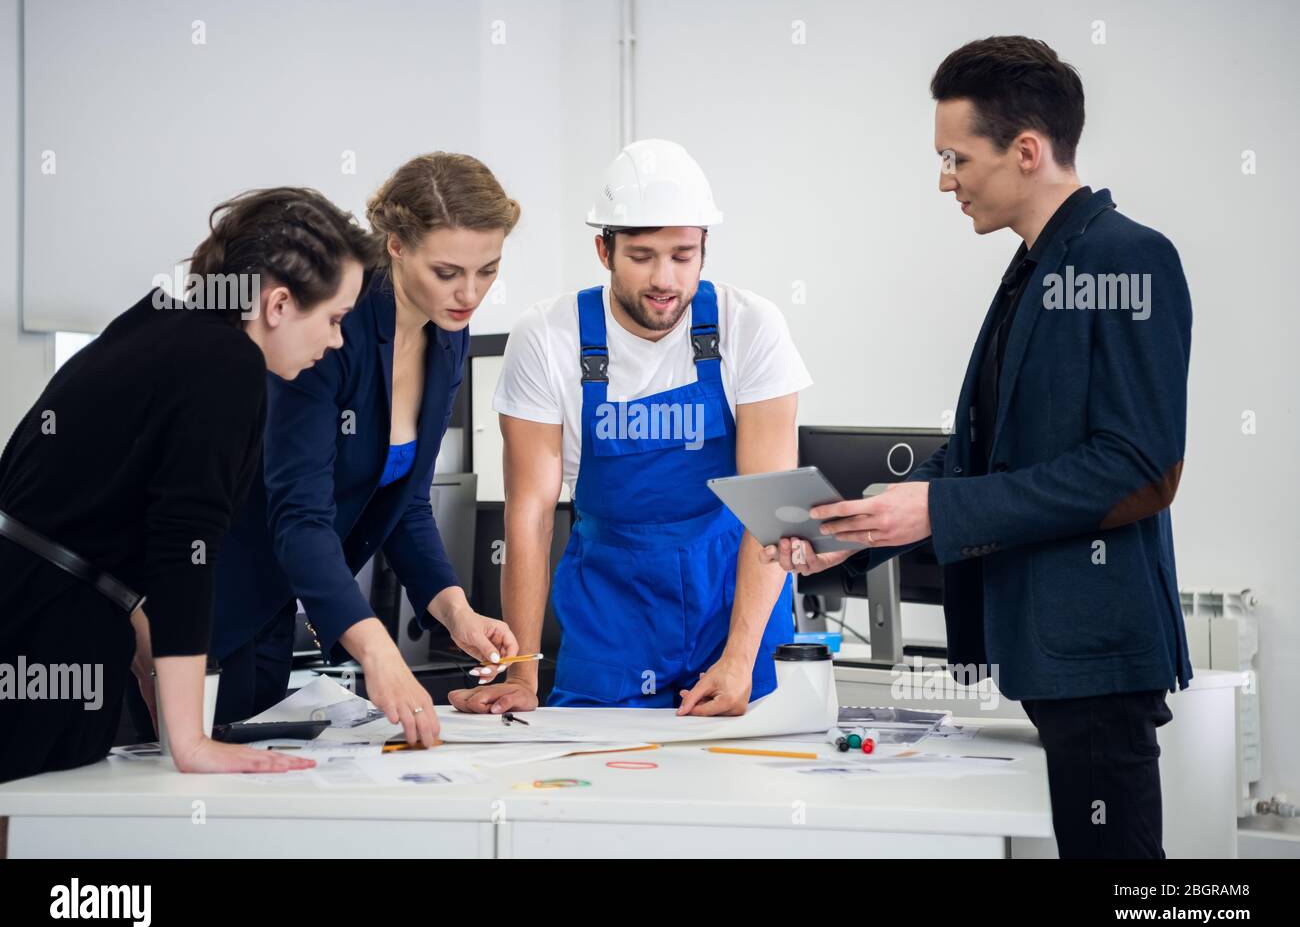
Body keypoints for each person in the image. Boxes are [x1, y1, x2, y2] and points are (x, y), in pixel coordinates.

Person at [769, 37, 1193, 858]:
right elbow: (975, 458)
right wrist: (845, 538)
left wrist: (938, 505)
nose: (945, 180)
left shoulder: (1129, 257)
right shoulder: (1032, 269)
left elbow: (1143, 469)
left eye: (956, 157)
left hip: (1095, 659)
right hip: (1040, 652)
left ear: (1026, 151)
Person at [0, 187, 377, 781]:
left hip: (38, 607)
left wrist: (149, 651)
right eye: (334, 319)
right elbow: (185, 550)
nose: (336, 342)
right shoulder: (226, 364)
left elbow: (98, 516)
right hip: (45, 628)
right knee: (33, 815)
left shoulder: (160, 325)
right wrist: (191, 741)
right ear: (278, 304)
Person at [453, 139, 811, 716]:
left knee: (749, 785)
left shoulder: (752, 327)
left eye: (683, 254)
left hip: (734, 598)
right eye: (642, 256)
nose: (664, 278)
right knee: (597, 784)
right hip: (611, 614)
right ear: (604, 250)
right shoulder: (549, 335)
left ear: (704, 249)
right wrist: (519, 674)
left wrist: (740, 657)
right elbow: (531, 513)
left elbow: (771, 511)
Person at [208, 153, 521, 748]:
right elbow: (299, 515)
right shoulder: (333, 328)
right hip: (220, 594)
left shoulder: (446, 336)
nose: (469, 293)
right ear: (397, 245)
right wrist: (377, 651)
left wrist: (457, 613)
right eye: (448, 270)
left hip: (282, 600)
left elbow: (405, 503)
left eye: (488, 270)